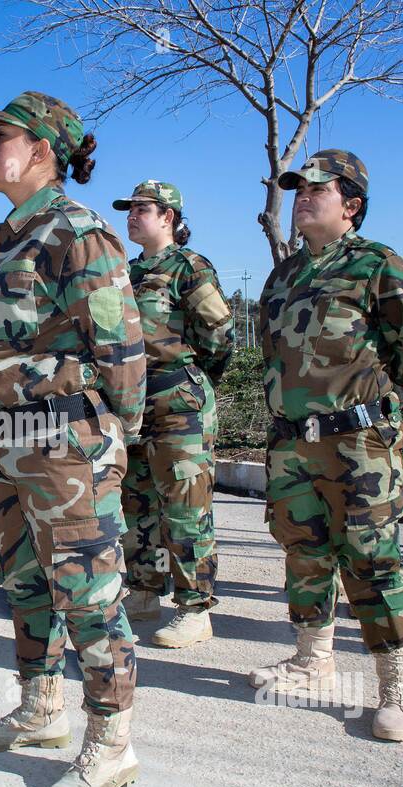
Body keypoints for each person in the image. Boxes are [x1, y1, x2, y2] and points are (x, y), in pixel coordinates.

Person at [0, 91, 145, 787]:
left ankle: (111, 741)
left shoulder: (77, 233)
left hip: (64, 446)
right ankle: (41, 706)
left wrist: (103, 443)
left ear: (41, 150)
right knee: (25, 584)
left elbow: (124, 360)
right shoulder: (10, 238)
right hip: (8, 445)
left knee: (89, 596)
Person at [251, 149, 403, 742]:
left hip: (359, 442)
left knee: (371, 555)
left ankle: (395, 683)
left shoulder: (380, 266)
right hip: (292, 443)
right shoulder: (283, 274)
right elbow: (268, 351)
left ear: (351, 206)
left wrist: (369, 404)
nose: (303, 197)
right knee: (303, 550)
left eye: (317, 190)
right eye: (298, 189)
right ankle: (312, 659)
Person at [114, 180, 235, 648]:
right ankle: (144, 590)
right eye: (129, 209)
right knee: (136, 503)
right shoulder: (126, 272)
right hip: (134, 403)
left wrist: (193, 378)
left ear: (168, 216)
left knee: (186, 506)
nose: (131, 216)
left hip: (178, 402)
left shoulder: (189, 266)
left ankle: (195, 607)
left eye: (141, 208)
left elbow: (219, 331)